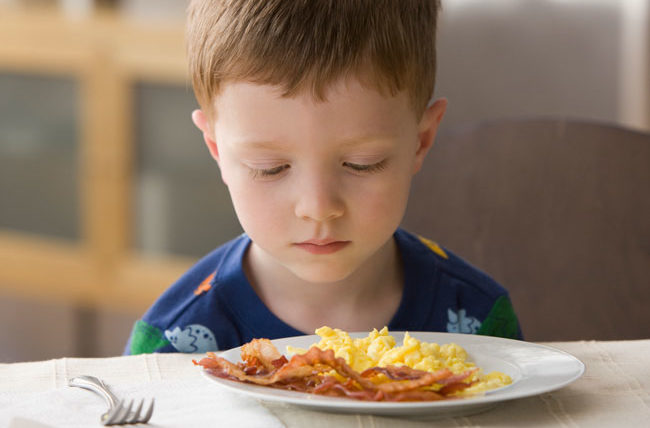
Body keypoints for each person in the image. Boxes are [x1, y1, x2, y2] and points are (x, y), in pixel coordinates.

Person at [125, 0, 522, 355]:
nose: (318, 207)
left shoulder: (482, 325)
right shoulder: (171, 348)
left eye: (362, 163)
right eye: (270, 167)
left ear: (421, 141)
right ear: (215, 149)